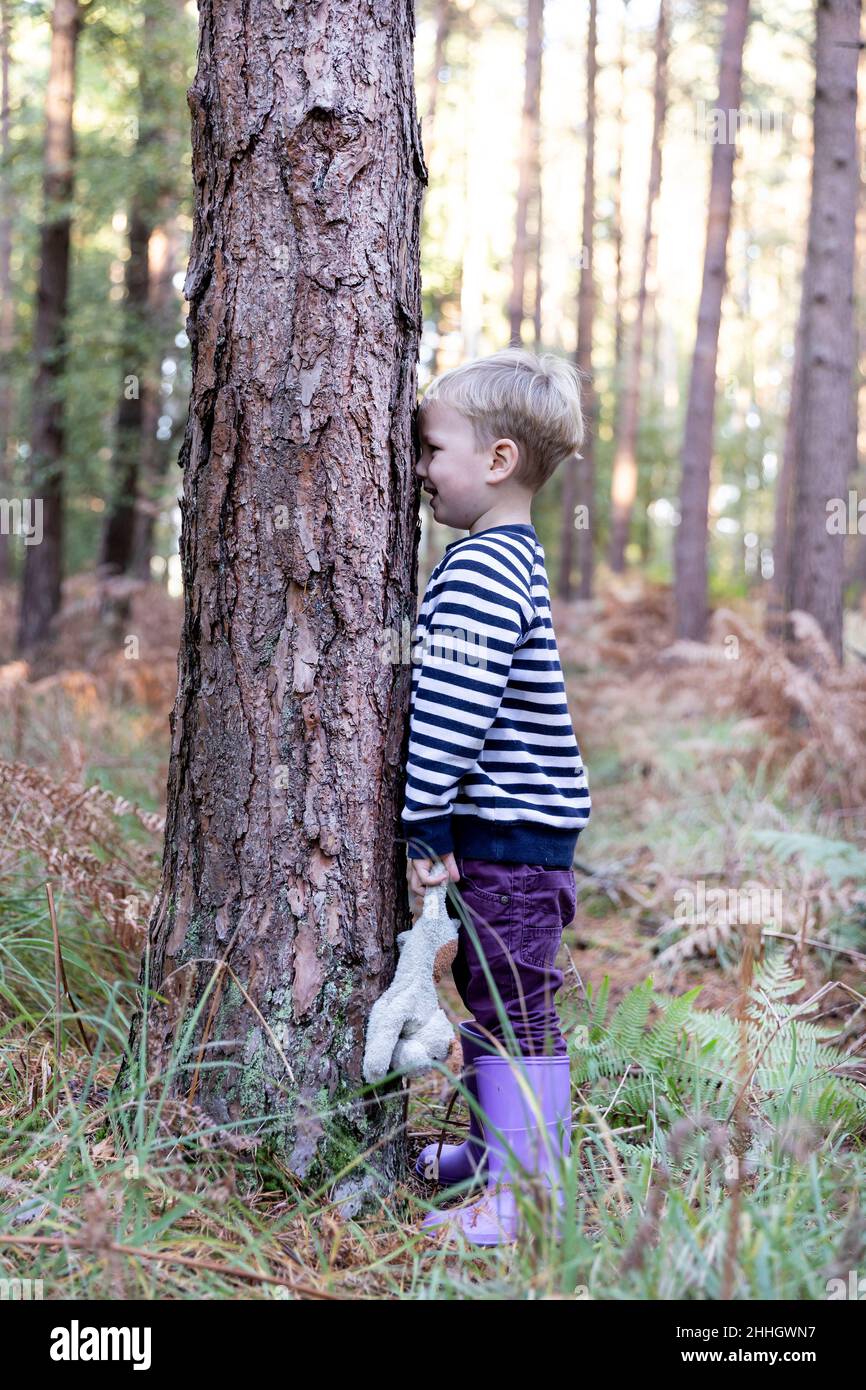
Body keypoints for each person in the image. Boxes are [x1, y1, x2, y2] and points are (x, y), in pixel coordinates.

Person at [399, 346, 591, 1245]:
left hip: (508, 838)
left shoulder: (481, 567)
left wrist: (425, 816)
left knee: (512, 1006)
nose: (421, 469)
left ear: (498, 460)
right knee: (498, 994)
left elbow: (453, 707)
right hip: (521, 837)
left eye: (433, 449)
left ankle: (522, 1196)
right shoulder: (509, 557)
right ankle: (492, 1157)